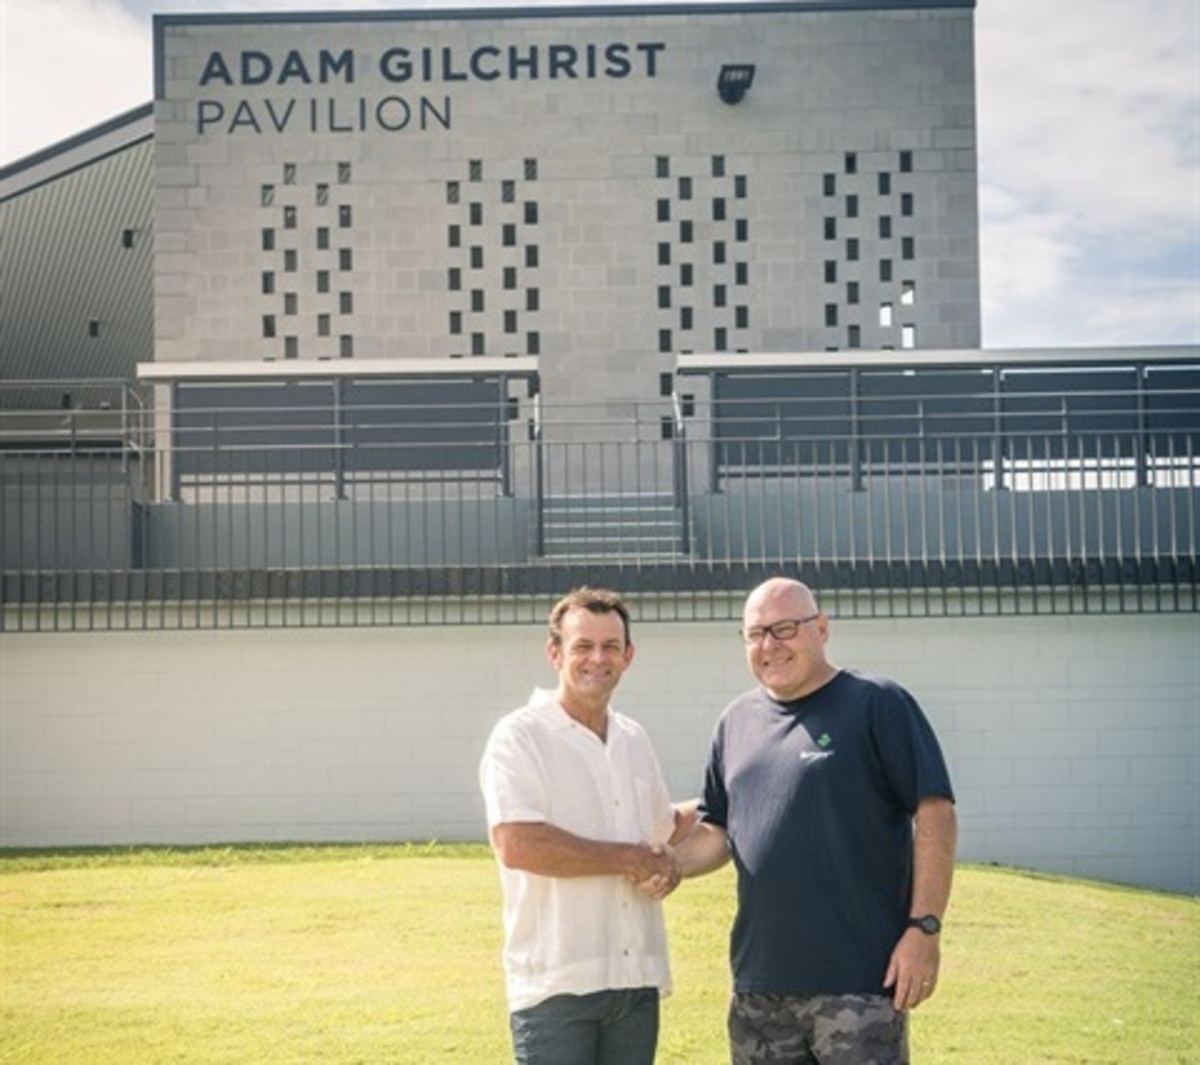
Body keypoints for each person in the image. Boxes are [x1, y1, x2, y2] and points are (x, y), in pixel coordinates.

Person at [674, 577, 957, 1065]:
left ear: (821, 628)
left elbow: (935, 812)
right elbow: (718, 832)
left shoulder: (878, 704)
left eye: (784, 629)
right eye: (756, 633)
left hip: (858, 986)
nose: (769, 646)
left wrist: (925, 928)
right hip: (759, 991)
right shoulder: (735, 722)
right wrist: (663, 863)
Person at [479, 586, 692, 1065]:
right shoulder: (519, 736)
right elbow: (519, 843)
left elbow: (663, 826)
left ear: (628, 656)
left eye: (610, 647)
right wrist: (629, 858)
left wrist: (730, 790)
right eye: (583, 646)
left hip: (636, 983)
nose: (598, 658)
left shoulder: (633, 738)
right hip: (557, 990)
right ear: (555, 654)